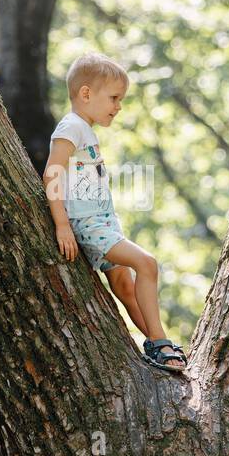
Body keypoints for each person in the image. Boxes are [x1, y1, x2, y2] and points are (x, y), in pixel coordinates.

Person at [42, 52, 187, 374]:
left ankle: (154, 343)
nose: (118, 106)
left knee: (124, 285)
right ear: (86, 94)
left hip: (104, 221)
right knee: (146, 263)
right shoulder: (72, 126)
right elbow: (53, 173)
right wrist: (62, 225)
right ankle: (160, 341)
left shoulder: (84, 129)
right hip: (87, 224)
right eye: (114, 98)